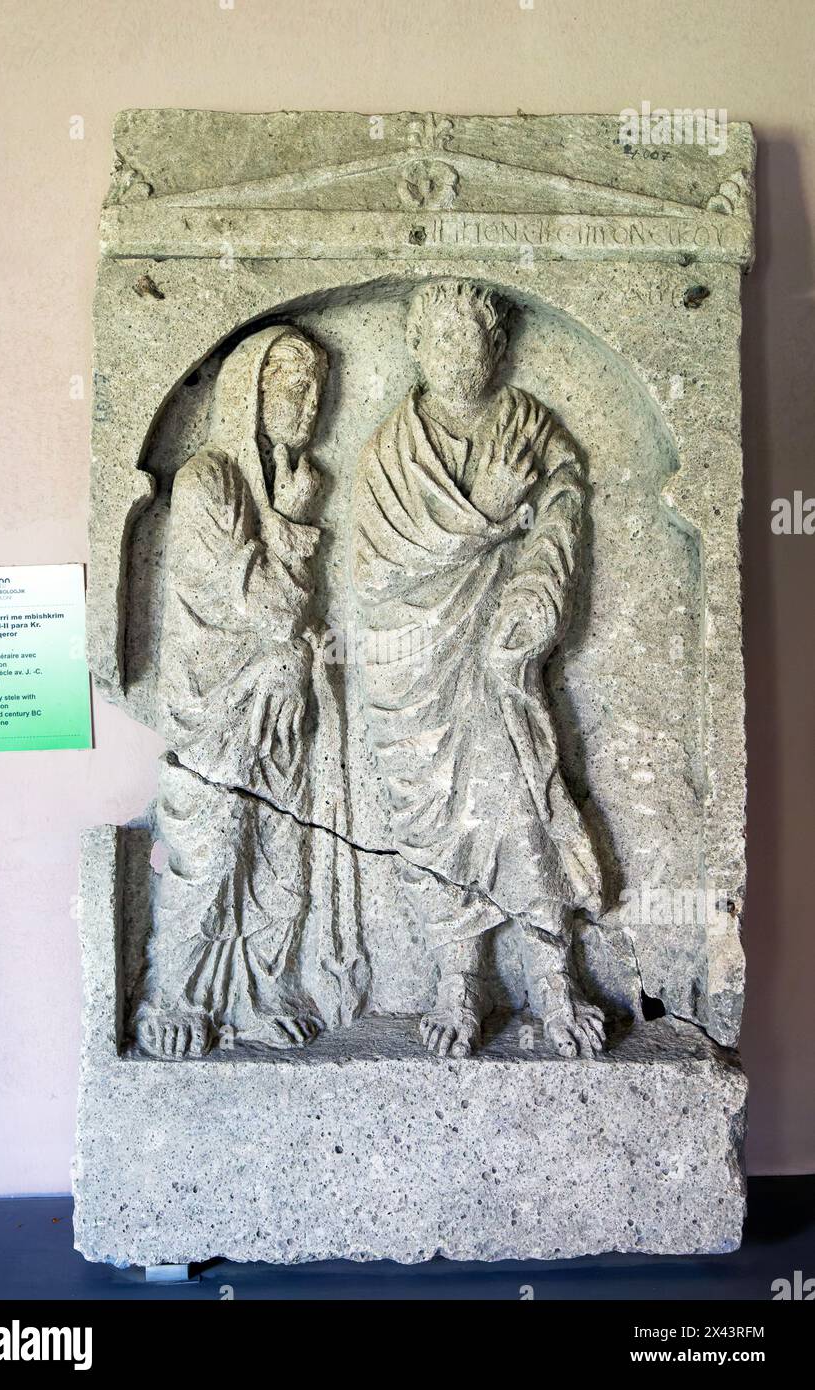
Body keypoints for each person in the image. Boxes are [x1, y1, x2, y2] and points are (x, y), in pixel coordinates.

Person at [351, 280, 606, 1059]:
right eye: (443, 341)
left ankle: (554, 976)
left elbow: (563, 509)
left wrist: (538, 591)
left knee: (516, 804)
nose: (460, 357)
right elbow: (375, 580)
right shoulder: (388, 454)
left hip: (494, 653)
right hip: (413, 663)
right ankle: (457, 977)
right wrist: (488, 515)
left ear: (498, 349)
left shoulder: (528, 426)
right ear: (418, 351)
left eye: (474, 341)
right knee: (430, 824)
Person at [136, 325, 334, 1057]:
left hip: (281, 699)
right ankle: (180, 995)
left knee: (284, 845)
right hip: (215, 703)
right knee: (214, 844)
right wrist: (296, 519)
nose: (308, 400)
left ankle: (265, 988)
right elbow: (269, 607)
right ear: (249, 389)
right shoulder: (209, 480)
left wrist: (297, 664)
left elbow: (297, 621)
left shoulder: (290, 474)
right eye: (291, 380)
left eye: (318, 386)